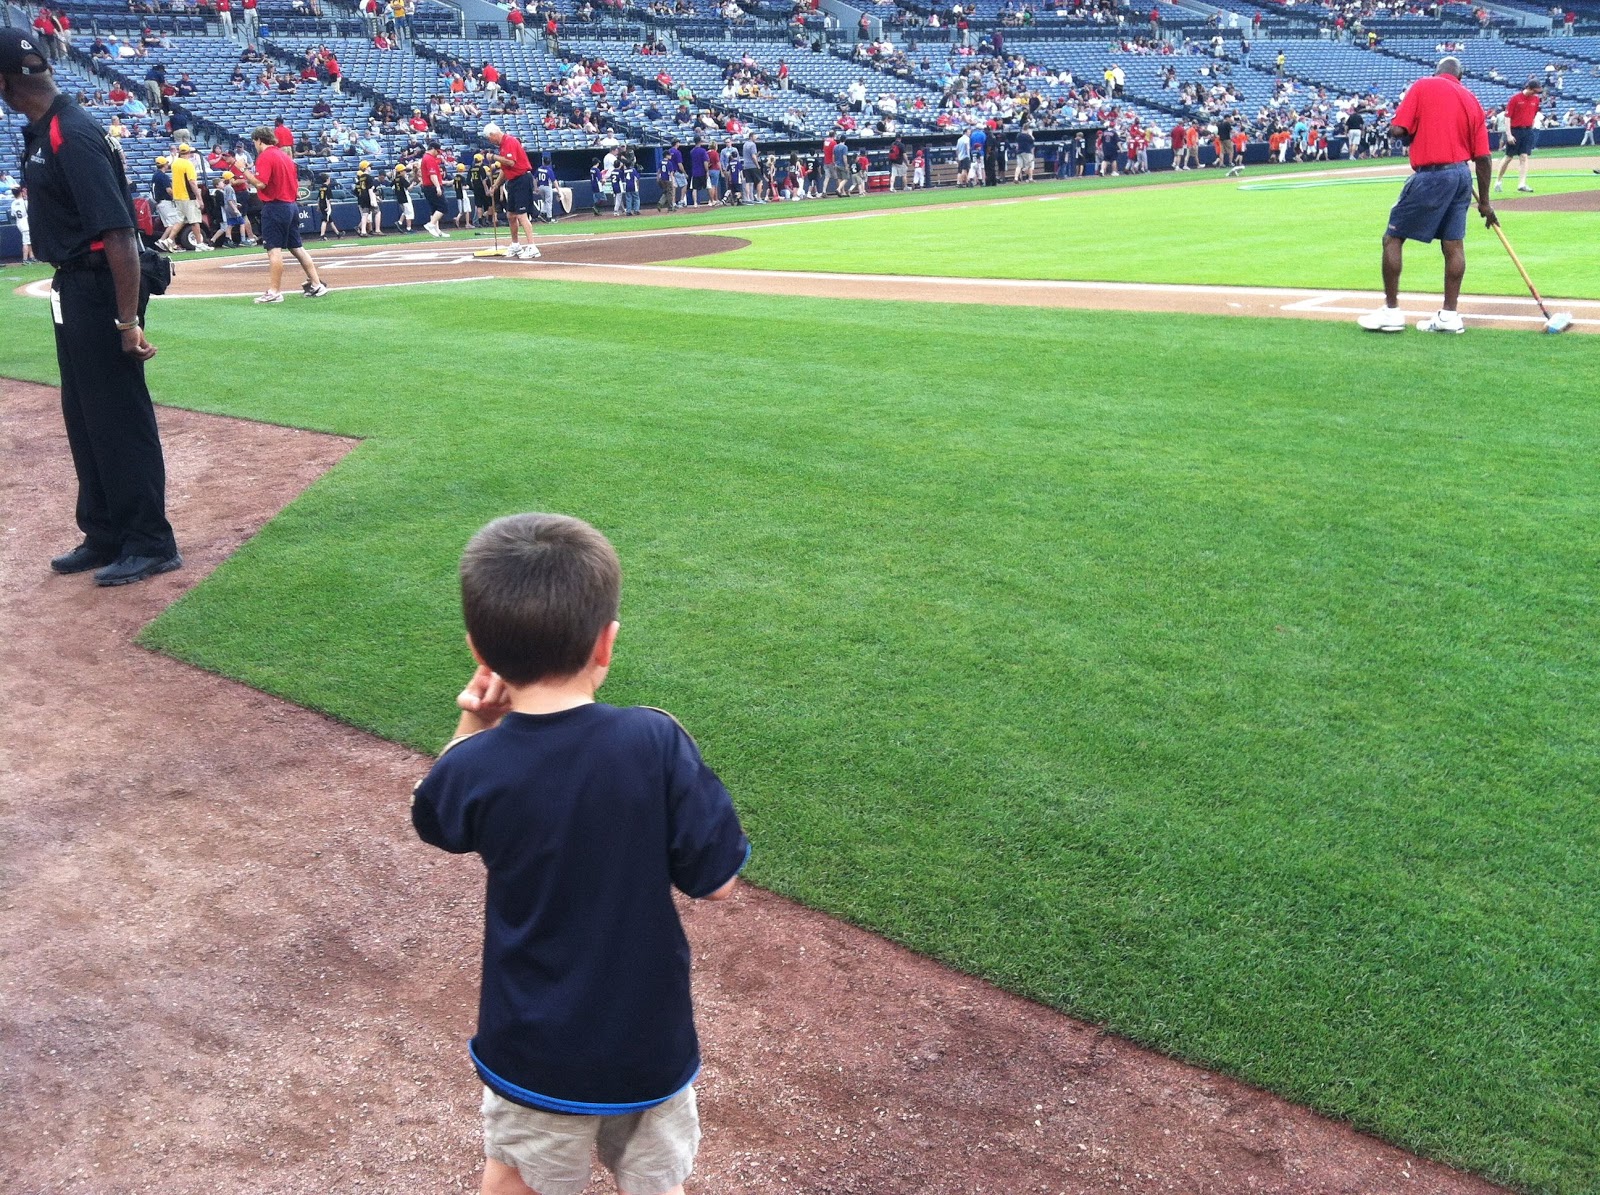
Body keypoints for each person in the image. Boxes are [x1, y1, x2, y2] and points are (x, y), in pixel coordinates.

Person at [411, 513, 748, 1195]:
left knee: (515, 1175)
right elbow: (716, 882)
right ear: (606, 642)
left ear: (479, 648)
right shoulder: (655, 740)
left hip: (532, 1045)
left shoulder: (476, 765)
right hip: (647, 1041)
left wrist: (475, 719)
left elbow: (434, 814)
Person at [1, 27, 180, 586]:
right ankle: (104, 532)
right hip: (74, 286)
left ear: (5, 82)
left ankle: (149, 541)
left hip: (102, 287)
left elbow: (120, 234)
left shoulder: (71, 134)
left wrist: (127, 322)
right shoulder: (44, 131)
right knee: (84, 414)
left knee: (118, 416)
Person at [1358, 58, 1495, 335]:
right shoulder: (1472, 100)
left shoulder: (1424, 85)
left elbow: (1398, 130)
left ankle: (1391, 313)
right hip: (1461, 176)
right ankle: (1449, 316)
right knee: (1453, 245)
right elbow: (1483, 157)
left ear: (1437, 72)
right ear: (1460, 76)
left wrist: (1408, 133)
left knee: (1392, 238)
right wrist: (1484, 202)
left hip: (1431, 174)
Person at [239, 125, 329, 303]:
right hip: (291, 205)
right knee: (297, 248)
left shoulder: (266, 156)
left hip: (275, 206)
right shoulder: (284, 156)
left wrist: (243, 170)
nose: (255, 145)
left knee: (273, 250)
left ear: (259, 140)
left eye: (255, 141)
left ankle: (274, 291)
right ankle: (317, 284)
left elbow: (260, 184)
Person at [485, 123, 540, 258]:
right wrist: (495, 185)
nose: (490, 141)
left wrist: (493, 157)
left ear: (493, 134)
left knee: (521, 215)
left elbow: (511, 162)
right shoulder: (502, 146)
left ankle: (532, 247)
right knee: (510, 215)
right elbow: (505, 169)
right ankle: (515, 245)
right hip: (513, 181)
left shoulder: (509, 141)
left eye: (489, 138)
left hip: (522, 179)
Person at [1494, 81, 1542, 193]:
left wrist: (1530, 128)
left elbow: (1533, 115)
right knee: (1509, 157)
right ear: (1529, 88)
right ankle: (1498, 181)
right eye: (1534, 91)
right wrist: (1509, 134)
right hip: (1515, 130)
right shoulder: (1515, 99)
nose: (1535, 93)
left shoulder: (1535, 100)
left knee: (1524, 156)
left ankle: (1522, 184)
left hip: (1527, 130)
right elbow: (1508, 117)